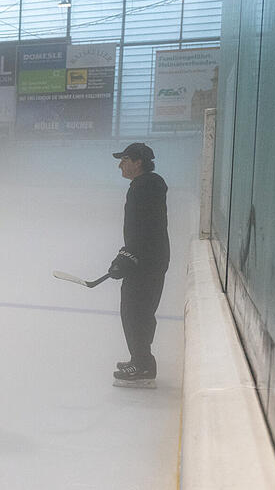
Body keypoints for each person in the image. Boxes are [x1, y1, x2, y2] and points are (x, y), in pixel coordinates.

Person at [108, 143, 170, 388]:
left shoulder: (145, 188)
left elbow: (146, 228)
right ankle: (140, 359)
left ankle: (142, 363)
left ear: (138, 162)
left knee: (136, 312)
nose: (120, 165)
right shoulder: (144, 186)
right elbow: (142, 228)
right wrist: (127, 254)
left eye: (124, 159)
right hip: (146, 258)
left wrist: (128, 255)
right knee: (135, 310)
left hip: (147, 261)